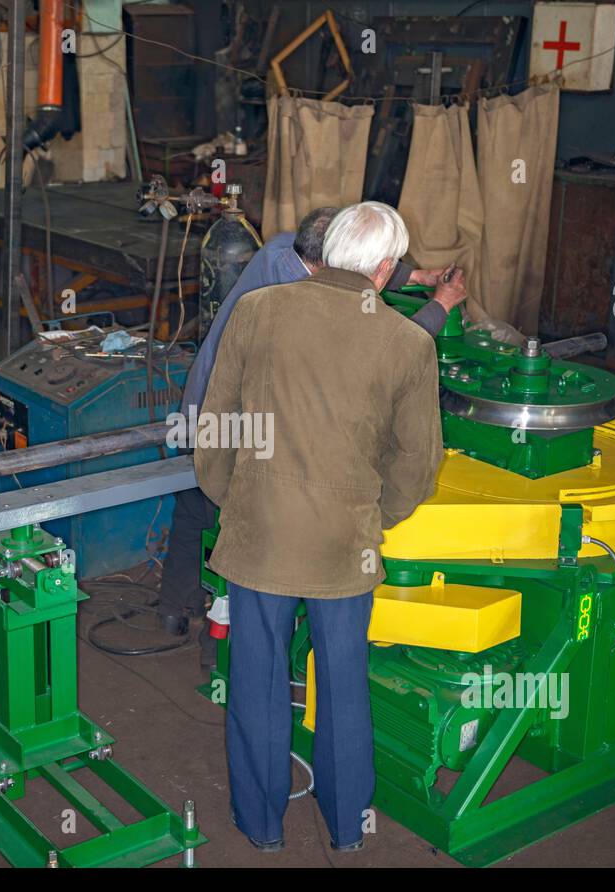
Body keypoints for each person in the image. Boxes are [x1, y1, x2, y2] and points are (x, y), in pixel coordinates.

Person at [195, 201, 441, 851]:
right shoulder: (409, 342)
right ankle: (347, 828)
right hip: (344, 545)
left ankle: (261, 825)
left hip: (259, 534)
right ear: (385, 269)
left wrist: (234, 499)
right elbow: (418, 465)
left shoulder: (257, 311)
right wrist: (371, 515)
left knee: (257, 680)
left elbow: (216, 425)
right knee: (342, 686)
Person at [158, 206, 468, 670]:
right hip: (270, 464)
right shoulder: (284, 289)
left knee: (253, 664)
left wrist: (416, 275)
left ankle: (177, 611)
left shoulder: (283, 249)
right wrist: (439, 306)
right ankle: (201, 633)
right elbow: (375, 354)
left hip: (244, 469)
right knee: (340, 676)